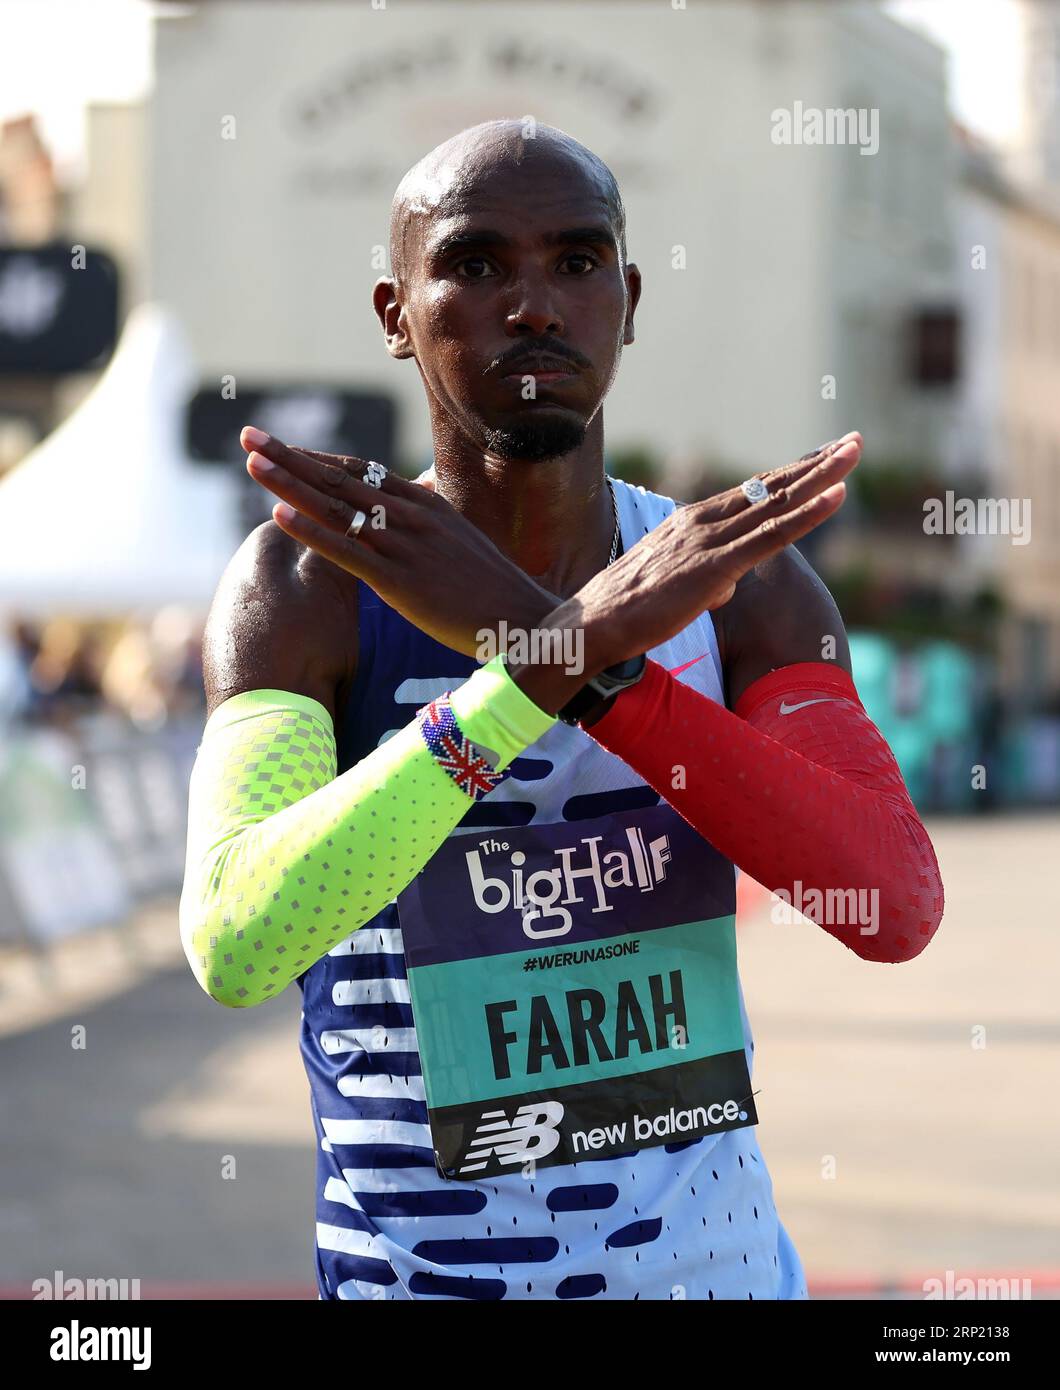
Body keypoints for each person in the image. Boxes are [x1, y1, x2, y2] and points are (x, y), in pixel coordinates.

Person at [179, 121, 944, 1301]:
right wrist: (546, 662)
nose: (532, 306)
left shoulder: (734, 584)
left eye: (577, 262)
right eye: (475, 265)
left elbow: (890, 903)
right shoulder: (311, 583)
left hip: (719, 1279)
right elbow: (238, 940)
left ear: (628, 300)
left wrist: (596, 671)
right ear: (395, 313)